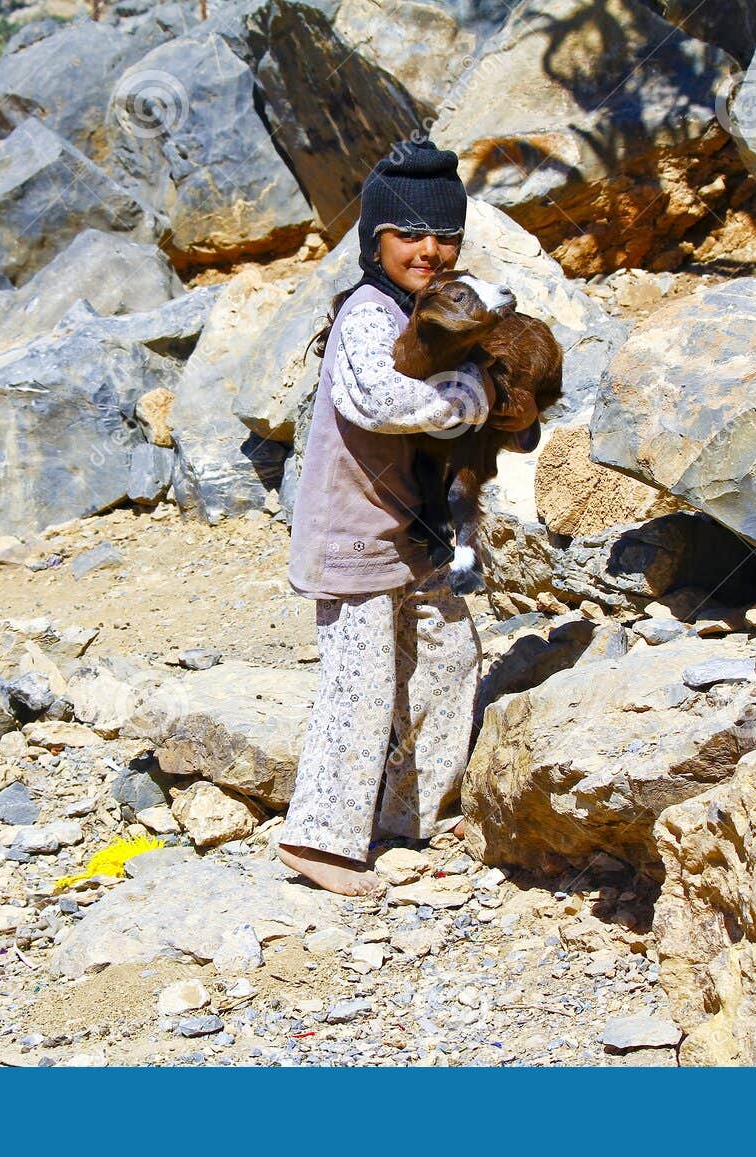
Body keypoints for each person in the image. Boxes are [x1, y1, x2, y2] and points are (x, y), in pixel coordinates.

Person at [279, 138, 521, 896]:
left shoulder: (422, 309)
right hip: (352, 531)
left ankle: (406, 812)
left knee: (449, 653)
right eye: (410, 233)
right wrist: (470, 397)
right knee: (359, 680)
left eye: (445, 234)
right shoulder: (363, 313)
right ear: (373, 238)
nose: (431, 249)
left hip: (406, 532)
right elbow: (379, 402)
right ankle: (319, 838)